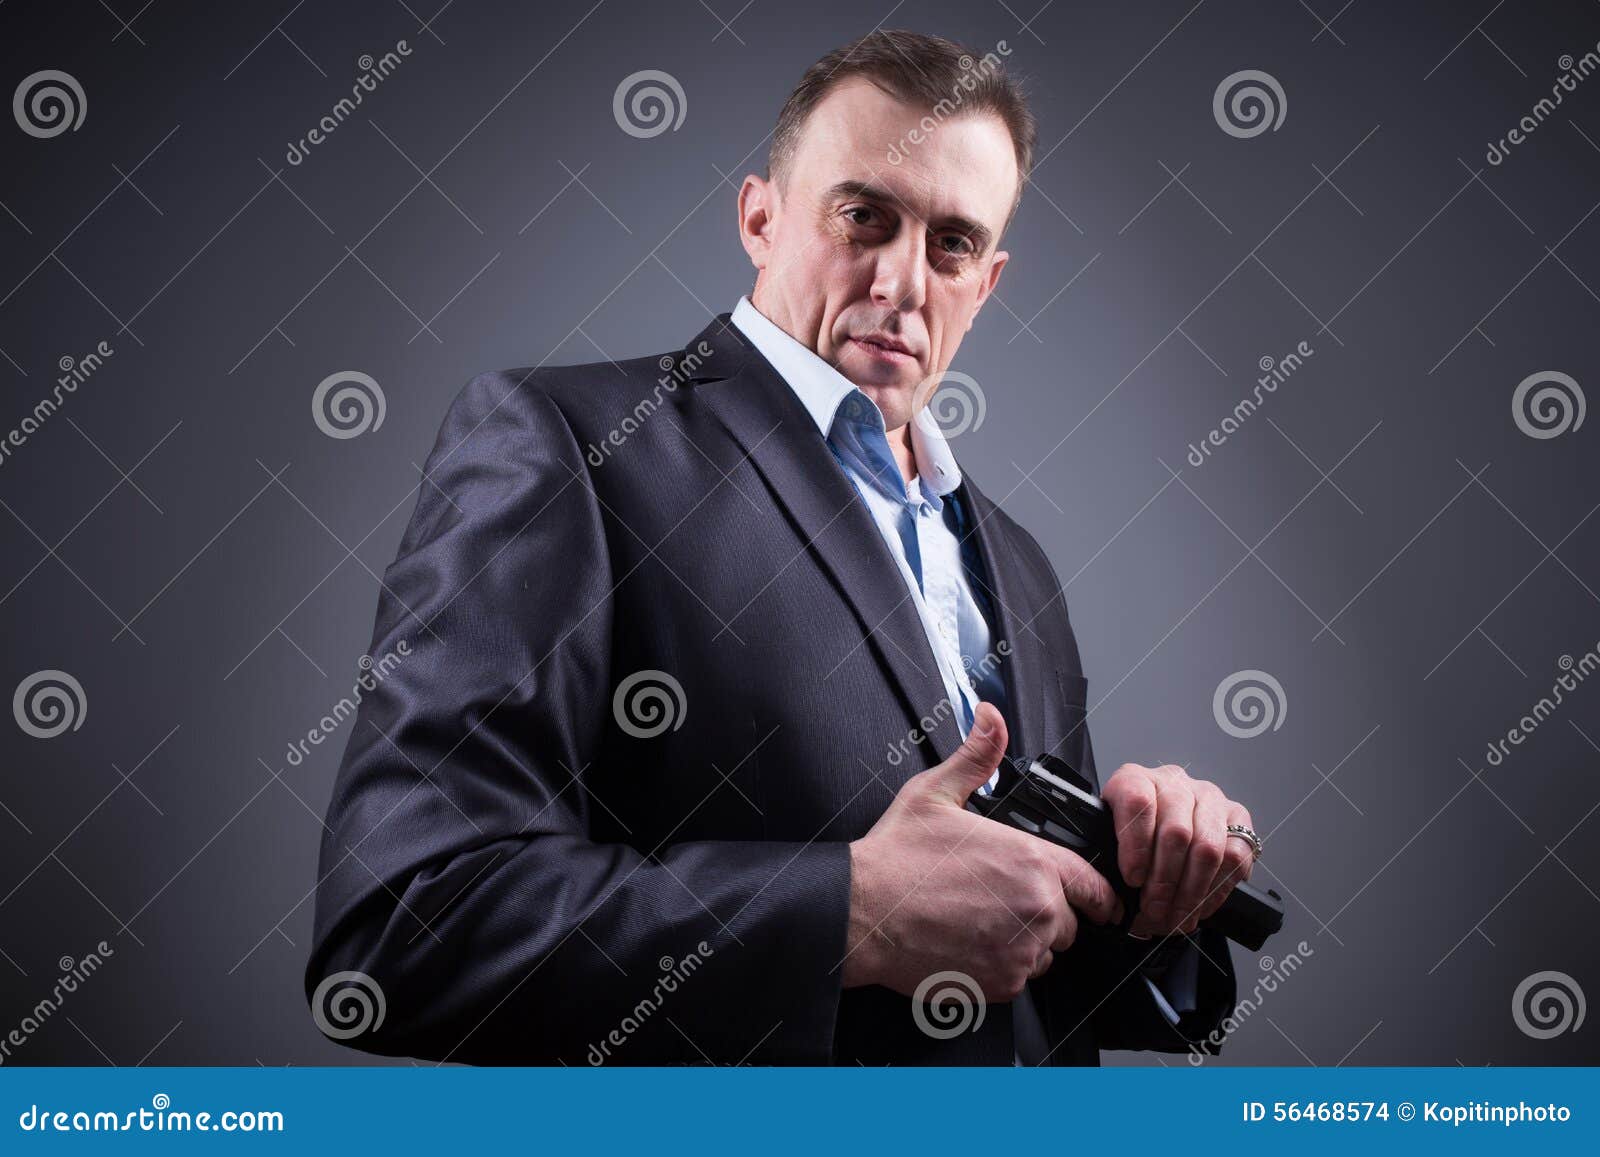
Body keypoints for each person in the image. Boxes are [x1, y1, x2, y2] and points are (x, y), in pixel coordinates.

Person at [305, 28, 1259, 1065]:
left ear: (985, 283)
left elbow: (1028, 961)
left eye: (950, 243)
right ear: (759, 219)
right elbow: (407, 922)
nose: (902, 282)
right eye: (864, 216)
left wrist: (1156, 879)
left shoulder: (1017, 563)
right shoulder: (568, 446)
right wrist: (848, 911)